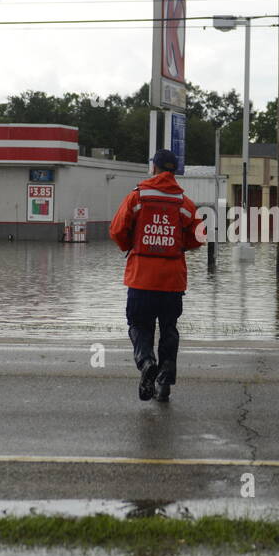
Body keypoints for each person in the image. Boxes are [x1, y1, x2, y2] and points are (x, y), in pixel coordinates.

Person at [109, 149, 203, 402]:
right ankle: (164, 379)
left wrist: (132, 245)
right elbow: (200, 237)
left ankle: (146, 361)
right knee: (169, 329)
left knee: (139, 325)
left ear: (154, 168)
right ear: (174, 171)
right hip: (172, 281)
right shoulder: (185, 203)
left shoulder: (137, 196)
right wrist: (181, 244)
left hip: (141, 277)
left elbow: (117, 230)